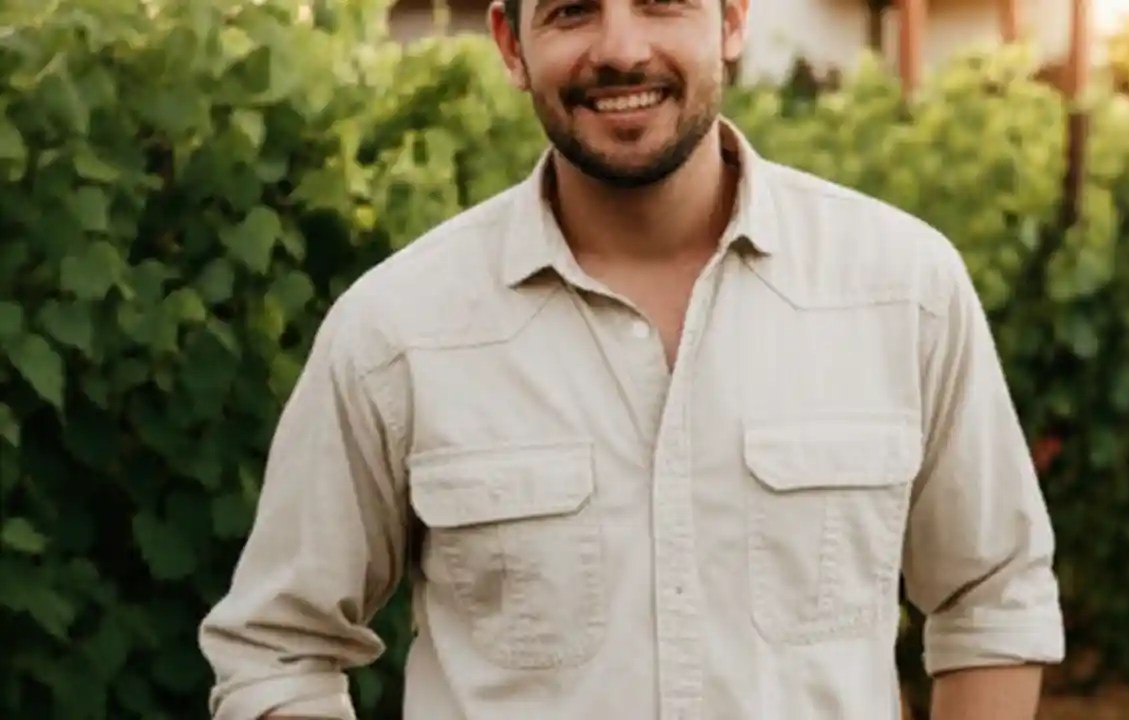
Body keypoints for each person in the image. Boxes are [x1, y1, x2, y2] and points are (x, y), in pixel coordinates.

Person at [198, 0, 1066, 717]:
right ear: (510, 43)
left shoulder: (901, 291)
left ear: (732, 19)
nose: (620, 48)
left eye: (661, 4)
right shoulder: (399, 331)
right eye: (572, 12)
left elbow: (992, 596)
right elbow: (279, 648)